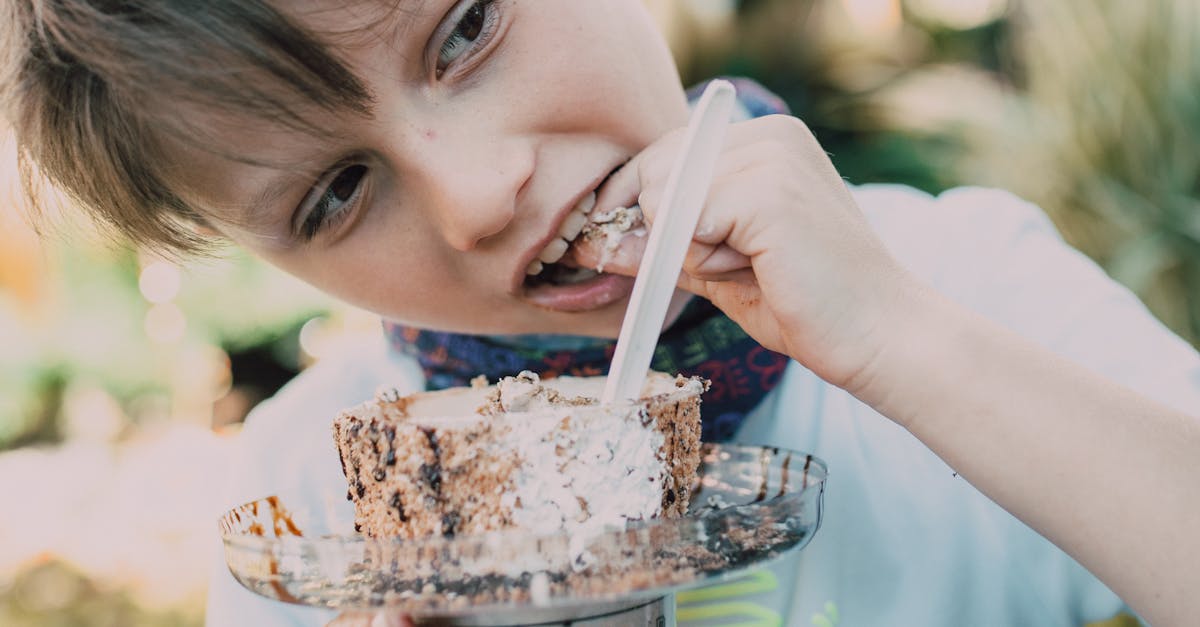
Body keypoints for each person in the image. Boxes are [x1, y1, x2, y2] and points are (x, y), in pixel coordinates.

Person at [3, 1, 1197, 626]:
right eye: (336, 192)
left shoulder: (960, 278)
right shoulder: (319, 506)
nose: (478, 196)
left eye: (466, 29)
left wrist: (902, 342)